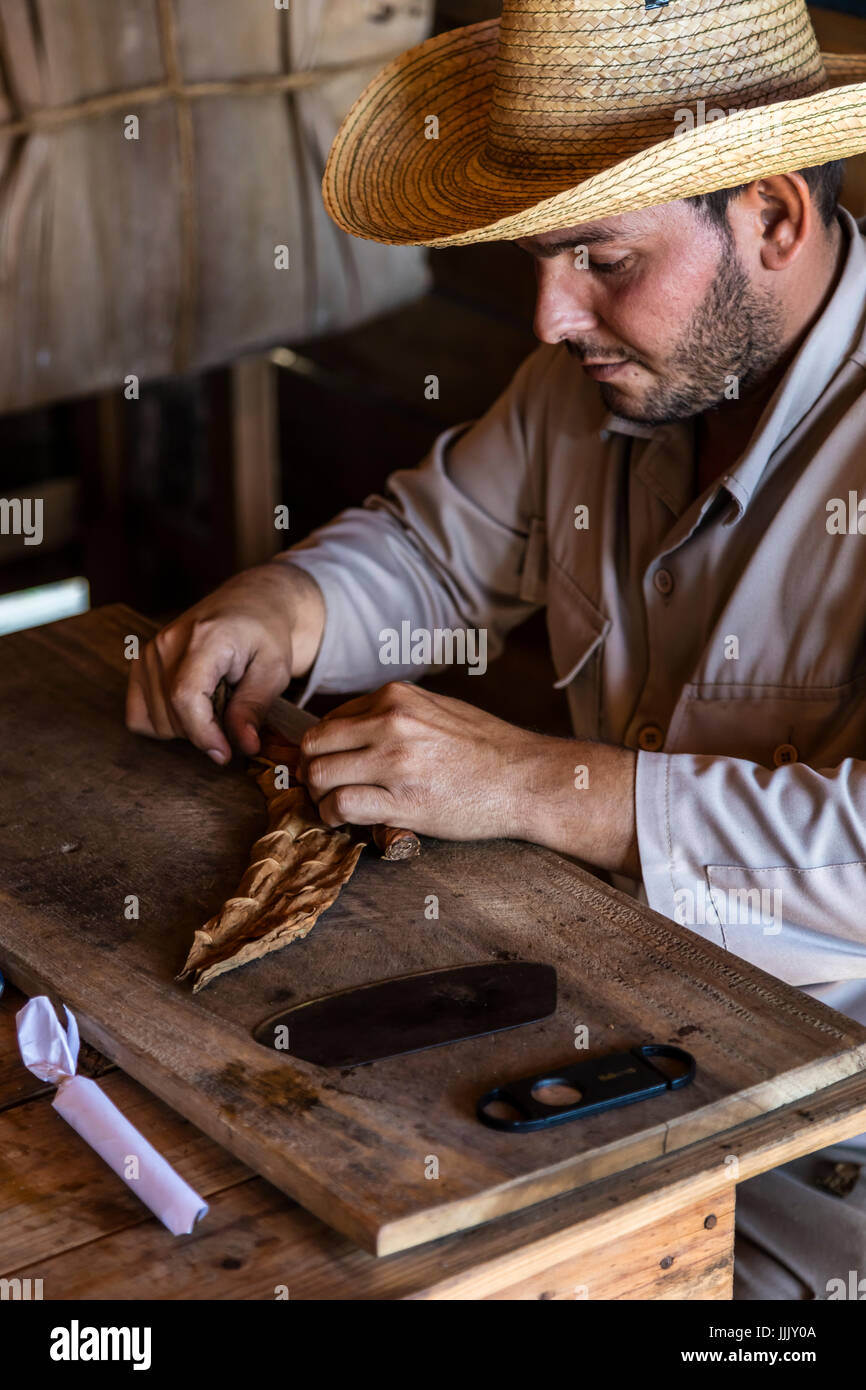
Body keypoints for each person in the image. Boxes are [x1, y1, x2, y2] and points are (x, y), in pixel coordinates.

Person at [126, 0, 866, 1298]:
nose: (547, 316)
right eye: (536, 259)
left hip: (832, 1162)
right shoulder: (594, 384)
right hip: (626, 1041)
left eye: (598, 258)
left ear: (771, 216)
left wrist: (535, 784)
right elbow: (430, 551)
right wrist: (283, 609)